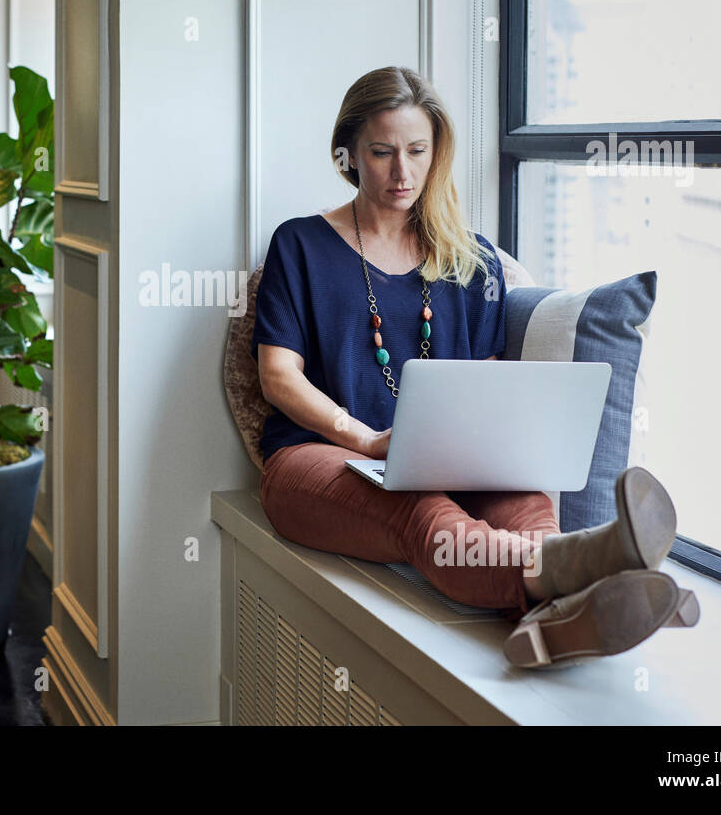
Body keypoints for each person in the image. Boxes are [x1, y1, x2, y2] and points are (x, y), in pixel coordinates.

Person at [251, 66, 696, 668]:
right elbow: (277, 375)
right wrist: (367, 440)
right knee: (422, 512)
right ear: (349, 153)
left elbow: (485, 384)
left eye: (417, 151)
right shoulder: (299, 244)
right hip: (320, 458)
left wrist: (477, 452)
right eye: (381, 152)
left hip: (443, 462)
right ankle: (607, 567)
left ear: (438, 154)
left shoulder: (472, 258)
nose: (401, 172)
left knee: (528, 507)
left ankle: (564, 621)